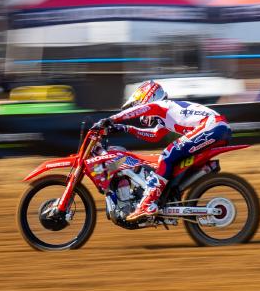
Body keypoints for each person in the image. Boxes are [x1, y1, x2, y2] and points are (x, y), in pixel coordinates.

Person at [92, 80, 231, 222]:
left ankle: (147, 204)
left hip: (212, 126)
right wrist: (126, 128)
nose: (139, 110)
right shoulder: (166, 116)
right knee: (170, 159)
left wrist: (111, 119)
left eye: (138, 104)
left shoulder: (161, 105)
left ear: (148, 97)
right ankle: (167, 196)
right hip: (217, 127)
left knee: (167, 155)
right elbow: (153, 136)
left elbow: (138, 111)